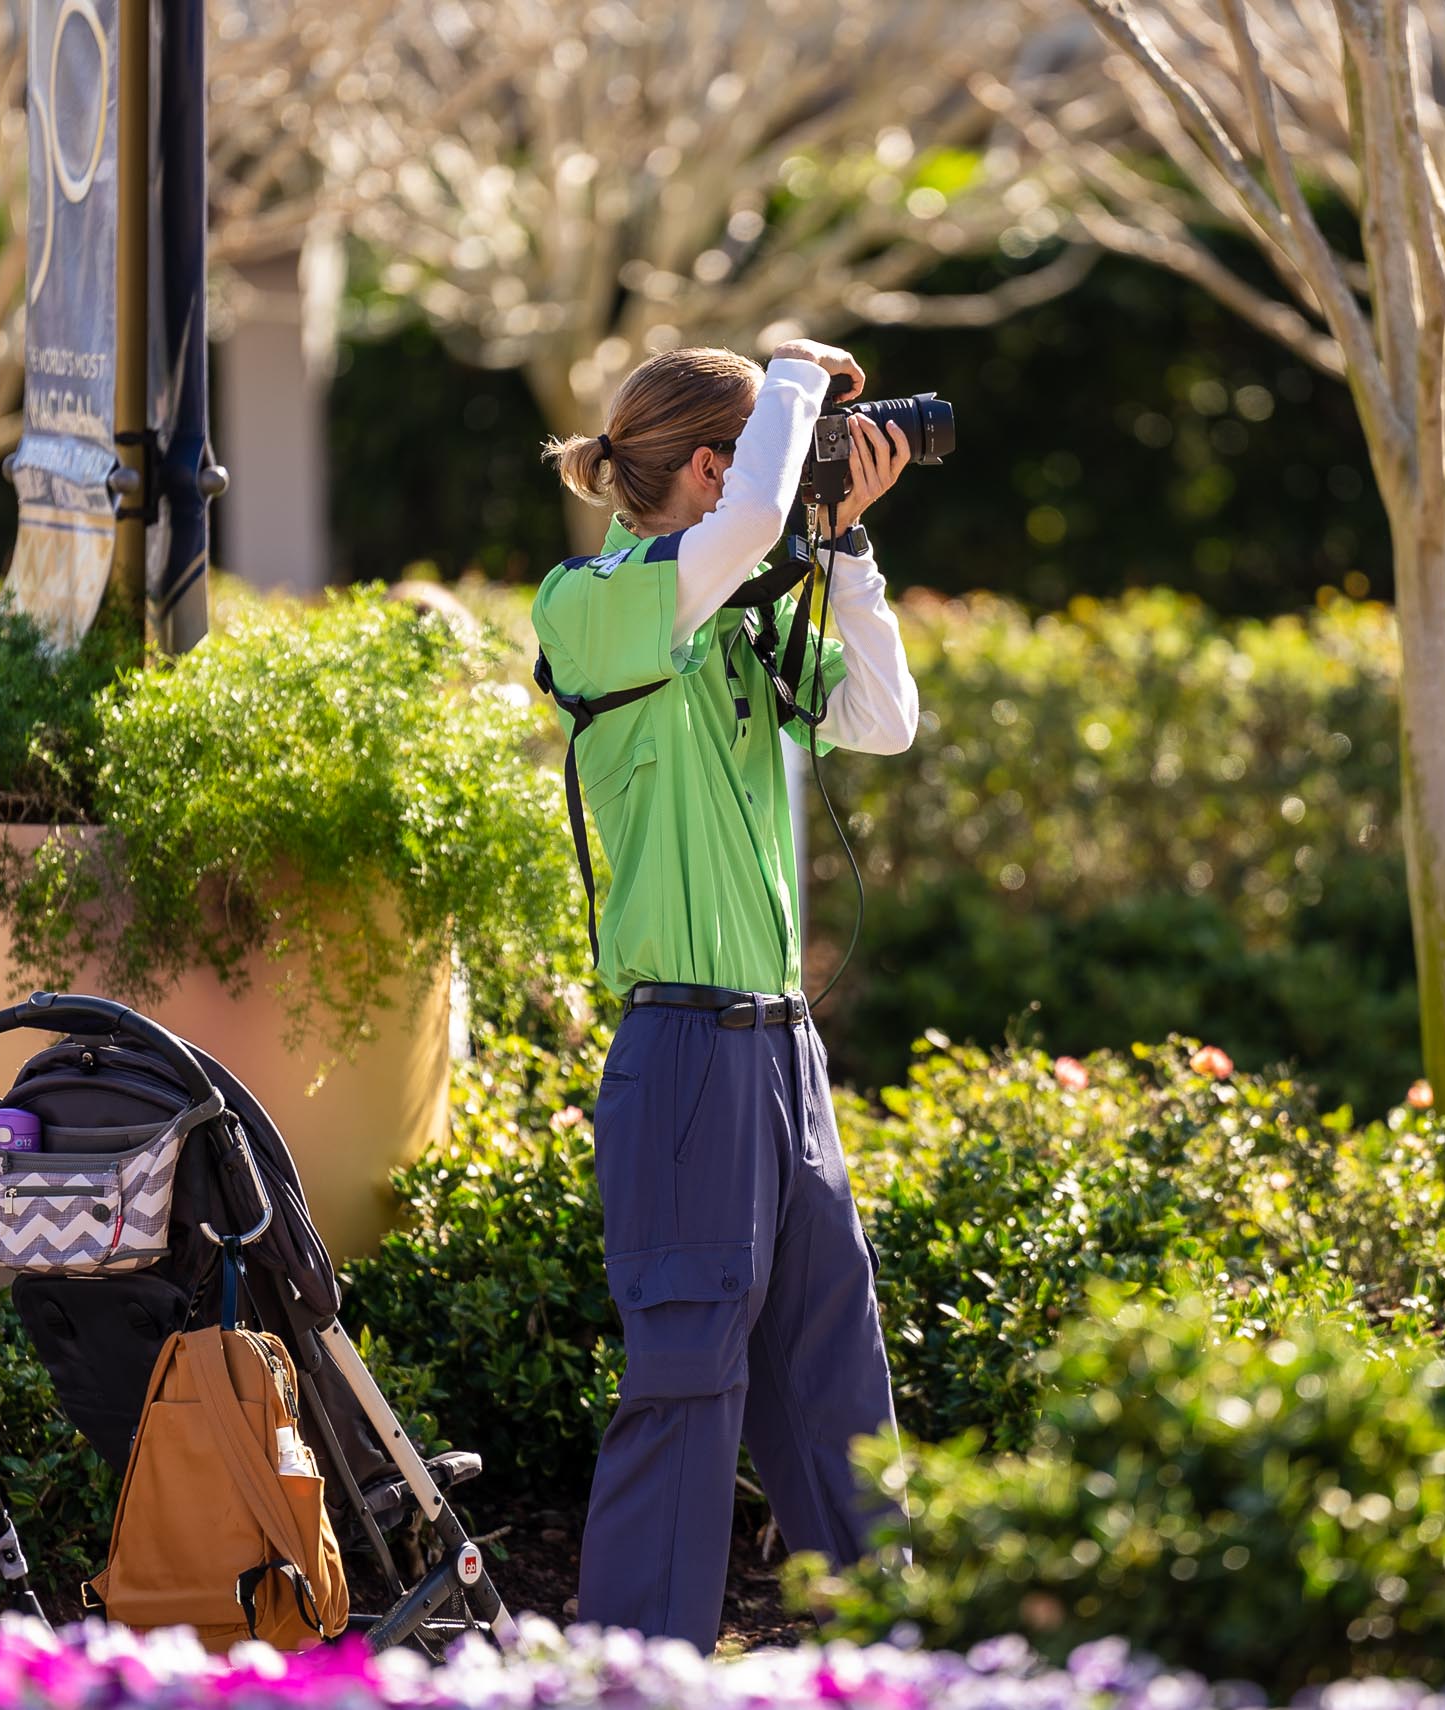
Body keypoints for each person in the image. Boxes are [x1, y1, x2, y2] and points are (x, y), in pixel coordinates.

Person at [530, 340, 918, 1649]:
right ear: (710, 465)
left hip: (781, 1054)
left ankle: (890, 1658)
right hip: (687, 1051)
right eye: (758, 450)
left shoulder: (739, 618)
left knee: (835, 1379)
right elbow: (747, 520)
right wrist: (793, 366)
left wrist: (847, 552)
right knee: (690, 1378)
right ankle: (641, 1671)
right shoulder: (590, 600)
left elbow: (880, 714)